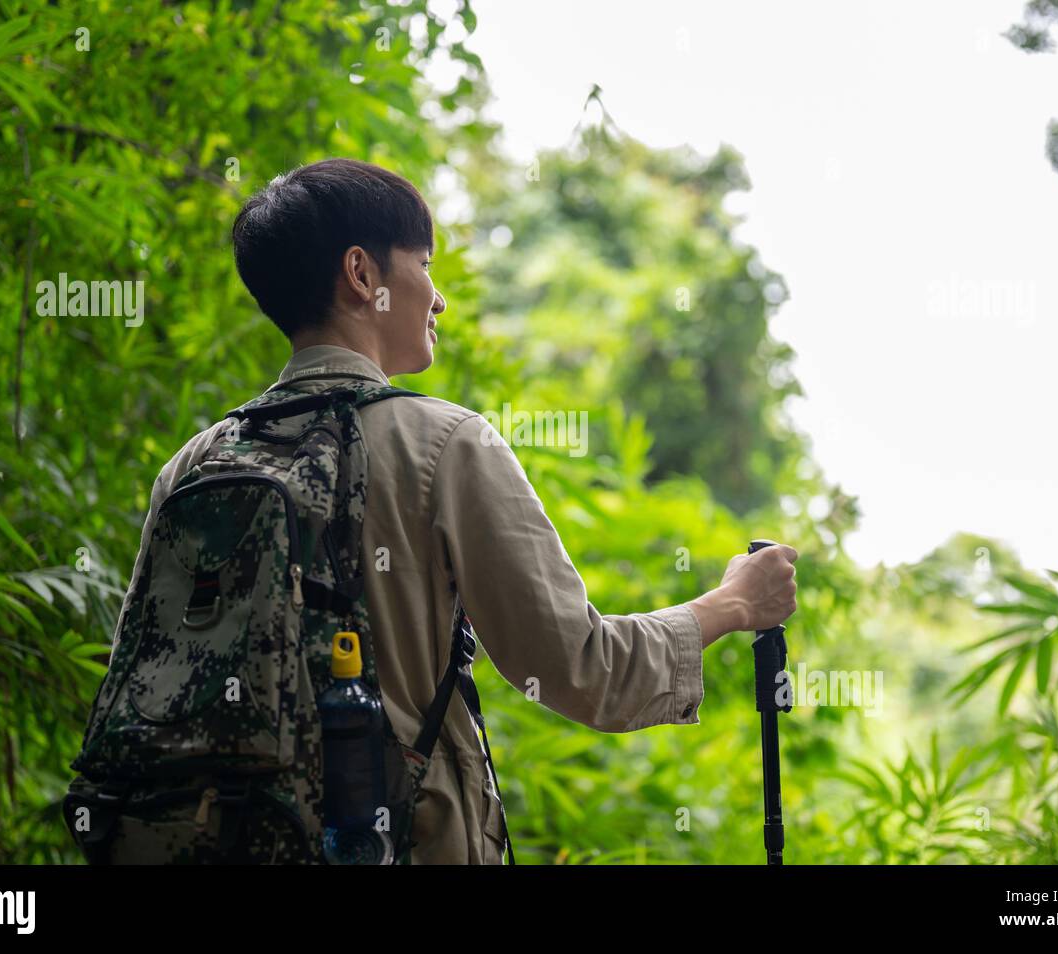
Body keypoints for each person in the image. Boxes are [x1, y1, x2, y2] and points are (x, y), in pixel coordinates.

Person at [112, 157, 799, 864]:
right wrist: (732, 606)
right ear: (362, 276)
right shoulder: (443, 446)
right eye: (424, 264)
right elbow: (581, 670)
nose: (437, 298)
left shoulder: (194, 465)